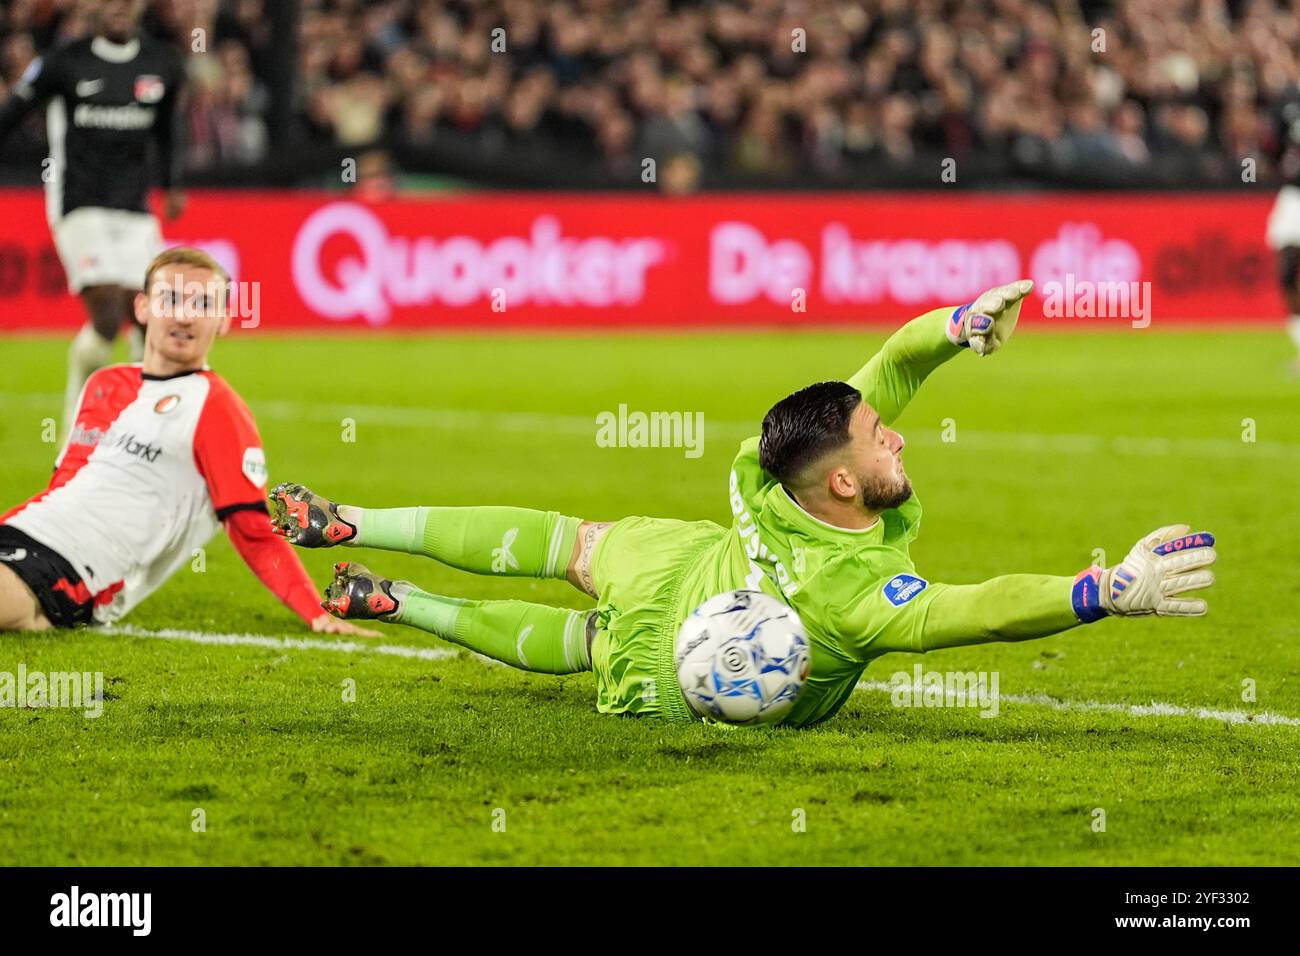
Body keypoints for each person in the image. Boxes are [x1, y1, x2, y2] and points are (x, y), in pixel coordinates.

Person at [268, 281, 1216, 727]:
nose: (897, 434)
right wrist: (1099, 591)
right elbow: (978, 608)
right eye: (880, 439)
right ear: (841, 482)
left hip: (684, 567)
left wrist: (955, 330)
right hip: (691, 660)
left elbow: (883, 373)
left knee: (566, 542)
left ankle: (356, 520)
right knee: (581, 647)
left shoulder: (763, 474)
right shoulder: (856, 599)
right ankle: (404, 603)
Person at [0, 245, 375, 639]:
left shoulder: (216, 409)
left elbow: (252, 529)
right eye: (171, 299)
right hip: (20, 530)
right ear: (143, 309)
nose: (184, 315)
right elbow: (65, 487)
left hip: (73, 567)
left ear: (224, 320)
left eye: (203, 304)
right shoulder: (104, 384)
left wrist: (315, 611)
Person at [0, 0, 187, 427]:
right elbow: (12, 114)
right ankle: (73, 433)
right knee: (107, 313)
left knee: (149, 320)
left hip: (135, 208)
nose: (120, 7)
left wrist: (173, 184)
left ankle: (140, 433)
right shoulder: (64, 62)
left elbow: (168, 130)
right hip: (78, 203)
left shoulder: (163, 62)